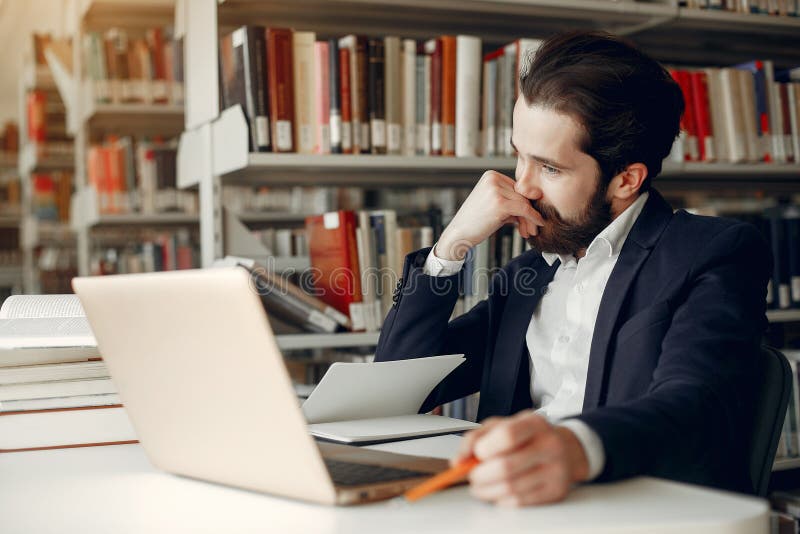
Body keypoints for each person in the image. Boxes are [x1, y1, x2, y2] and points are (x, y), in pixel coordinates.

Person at [374, 31, 771, 506]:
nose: (521, 187)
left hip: (642, 512)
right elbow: (399, 388)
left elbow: (696, 405)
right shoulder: (526, 275)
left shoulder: (712, 253)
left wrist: (576, 446)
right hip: (519, 512)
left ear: (626, 179)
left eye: (550, 168)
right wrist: (450, 247)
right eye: (518, 155)